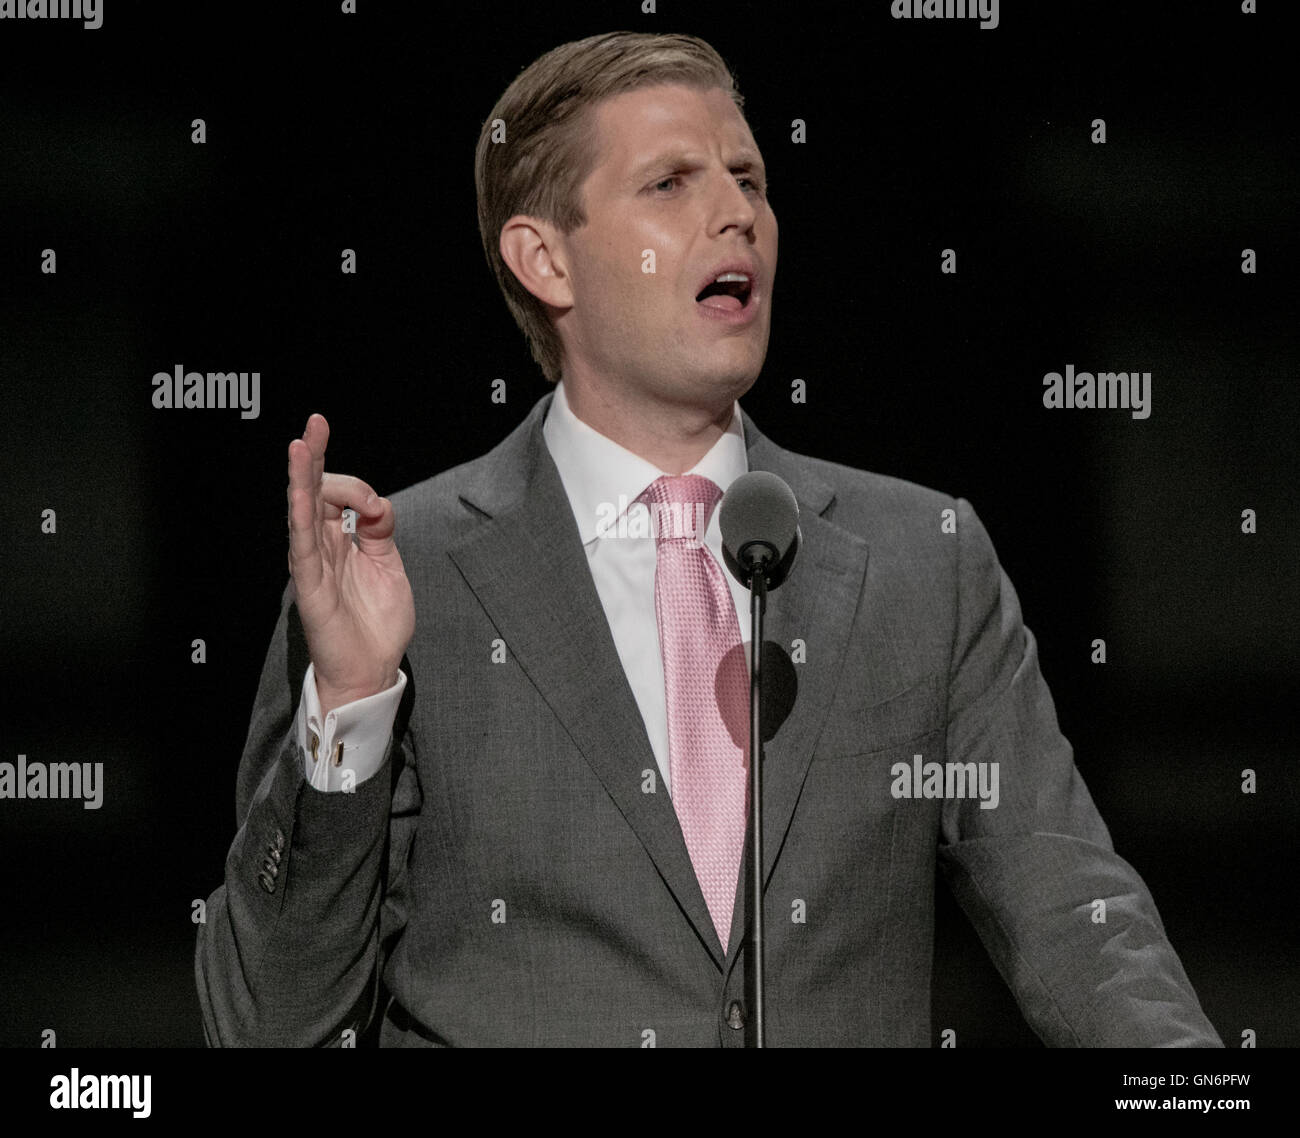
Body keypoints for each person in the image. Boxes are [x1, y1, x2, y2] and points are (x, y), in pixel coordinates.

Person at [195, 30, 1220, 1047]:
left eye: (748, 179)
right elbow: (271, 1022)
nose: (737, 213)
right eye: (670, 185)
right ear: (544, 257)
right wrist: (353, 709)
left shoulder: (924, 559)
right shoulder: (399, 573)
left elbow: (1072, 914)